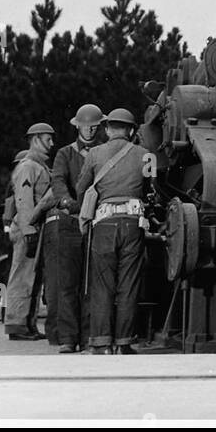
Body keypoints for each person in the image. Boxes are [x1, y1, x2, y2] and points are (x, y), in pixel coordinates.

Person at [76, 108, 150, 355]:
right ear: (131, 130)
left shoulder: (95, 153)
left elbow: (81, 188)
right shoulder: (146, 155)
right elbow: (154, 190)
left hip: (104, 224)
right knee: (128, 284)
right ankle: (124, 342)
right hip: (132, 222)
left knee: (102, 284)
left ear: (108, 129)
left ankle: (101, 343)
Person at [42, 104, 104, 353]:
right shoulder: (65, 154)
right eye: (85, 126)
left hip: (94, 222)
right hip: (69, 222)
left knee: (91, 283)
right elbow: (57, 180)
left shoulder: (102, 153)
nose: (89, 131)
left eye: (94, 126)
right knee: (67, 284)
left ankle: (88, 336)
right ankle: (68, 338)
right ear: (77, 126)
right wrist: (66, 202)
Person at [5, 125, 54, 340]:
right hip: (28, 227)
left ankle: (28, 324)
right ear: (35, 139)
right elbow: (23, 201)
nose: (51, 143)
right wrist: (28, 230)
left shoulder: (39, 166)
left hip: (34, 227)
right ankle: (17, 325)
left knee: (32, 277)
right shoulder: (28, 167)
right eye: (47, 139)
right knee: (22, 276)